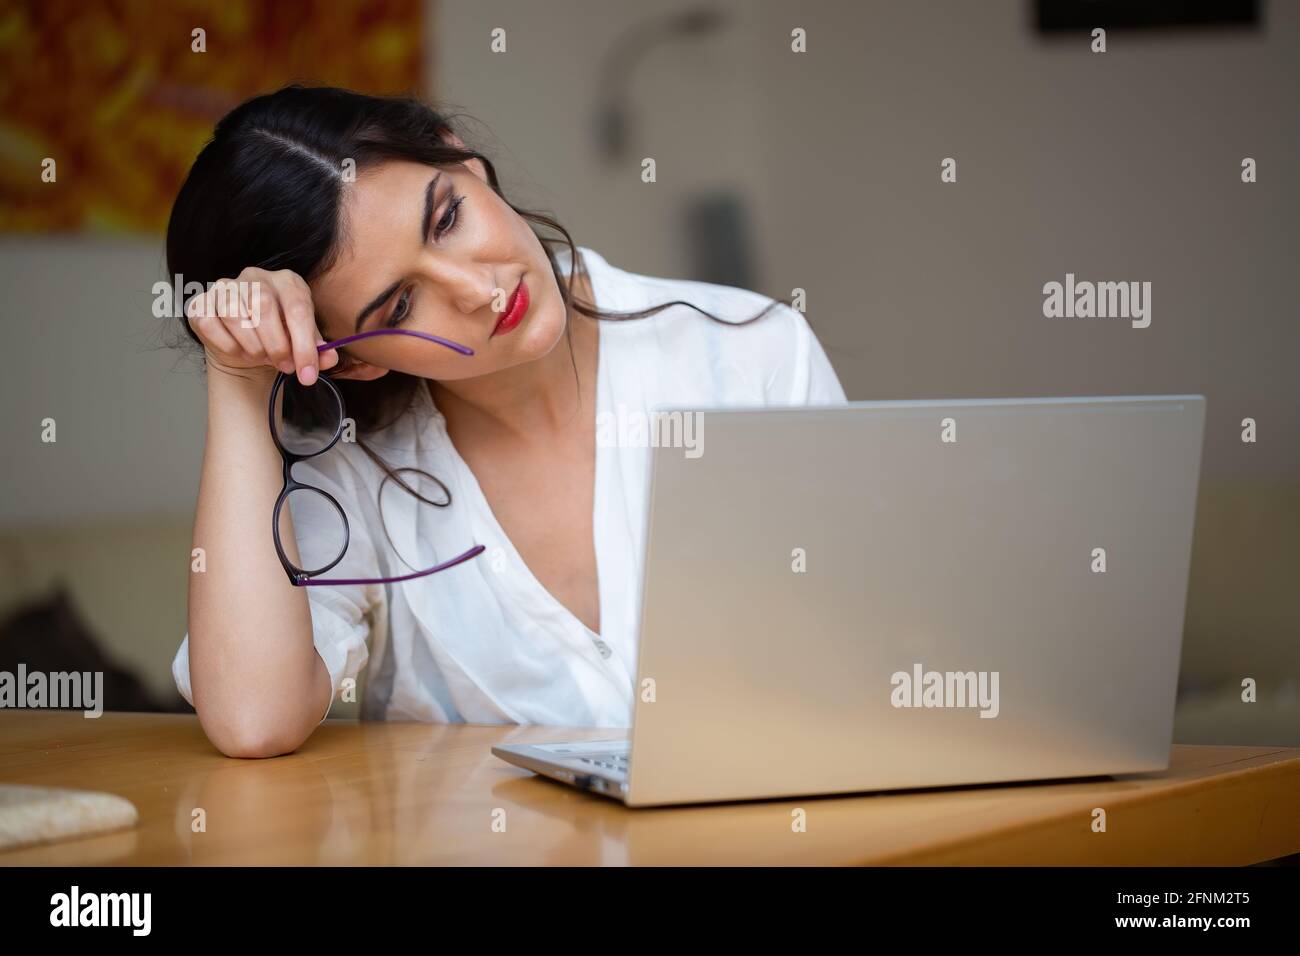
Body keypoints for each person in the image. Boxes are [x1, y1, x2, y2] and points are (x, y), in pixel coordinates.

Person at [168, 85, 846, 758]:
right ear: (351, 362)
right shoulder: (348, 471)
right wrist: (240, 378)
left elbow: (860, 656)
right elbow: (255, 719)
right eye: (402, 306)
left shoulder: (752, 351)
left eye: (446, 220)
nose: (479, 290)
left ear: (459, 155)